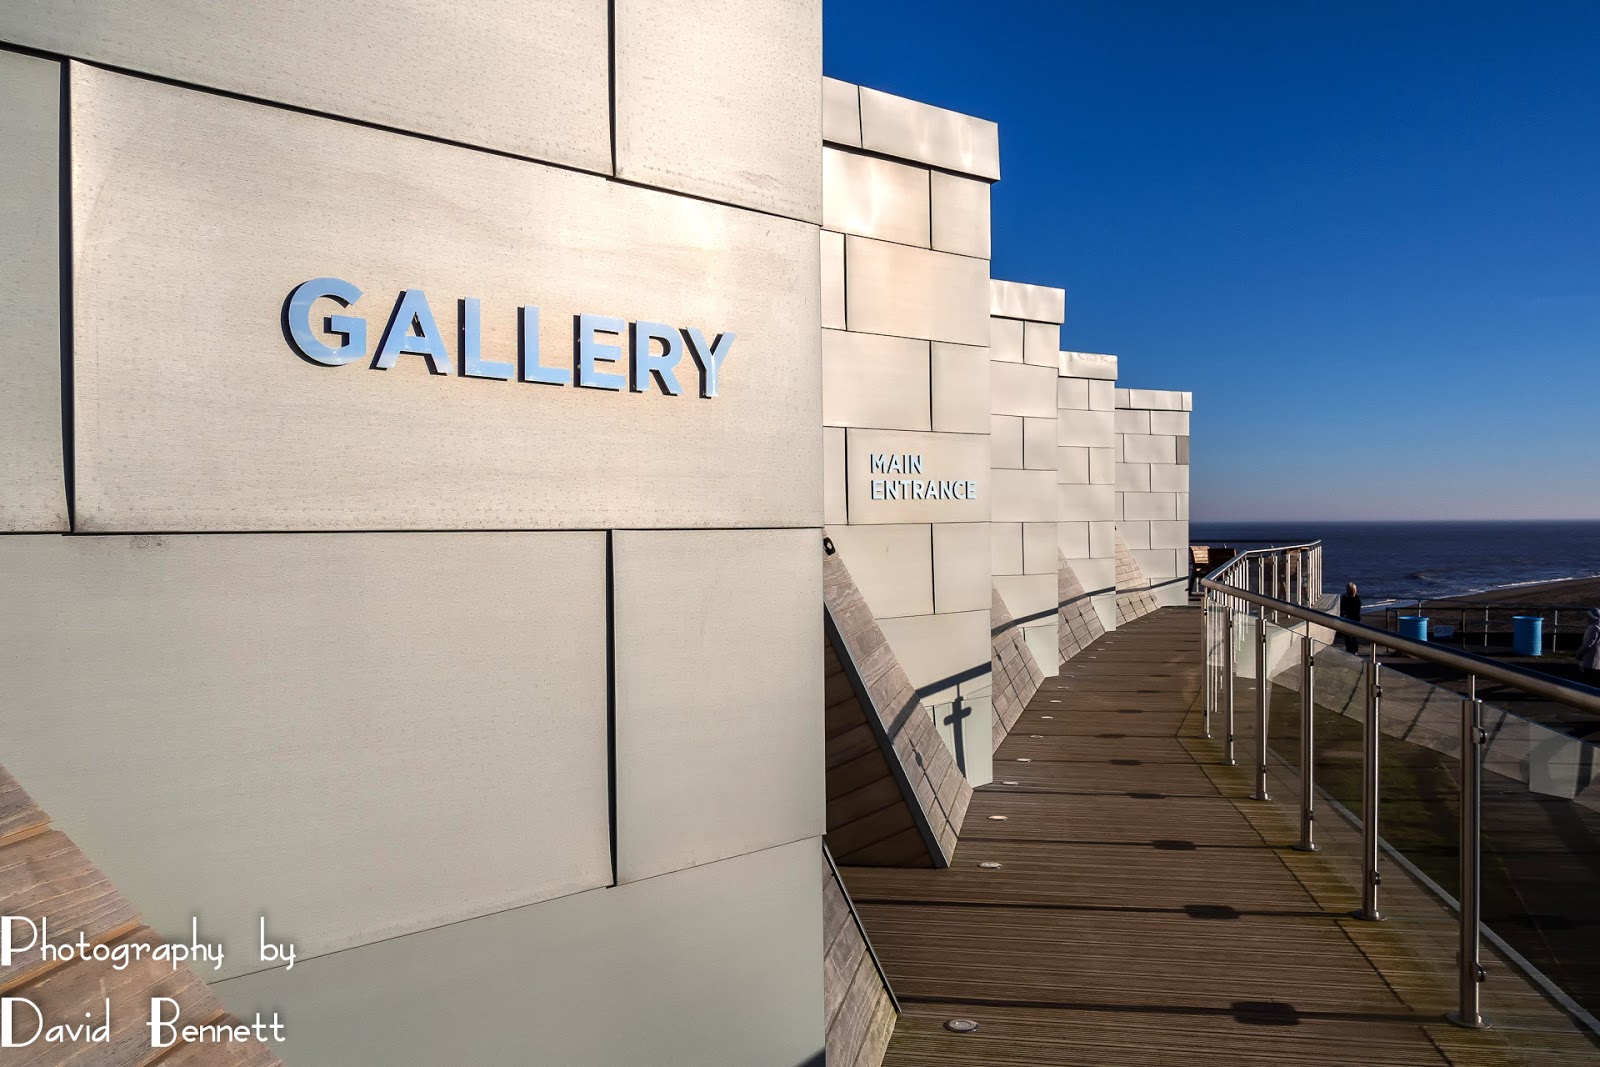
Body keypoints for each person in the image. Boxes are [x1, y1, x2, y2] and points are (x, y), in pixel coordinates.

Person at [1338, 582, 1362, 654]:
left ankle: (1350, 649)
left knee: (1348, 636)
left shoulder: (1345, 598)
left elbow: (1342, 608)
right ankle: (1353, 649)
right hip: (1354, 619)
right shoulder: (1357, 598)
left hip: (1349, 618)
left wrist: (1344, 615)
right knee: (1352, 636)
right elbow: (1357, 610)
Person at [1579, 608, 1600, 685]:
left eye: (1588, 617)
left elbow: (1588, 644)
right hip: (1597, 662)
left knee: (1588, 683)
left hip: (1591, 661)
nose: (1587, 619)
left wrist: (1579, 654)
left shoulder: (1594, 628)